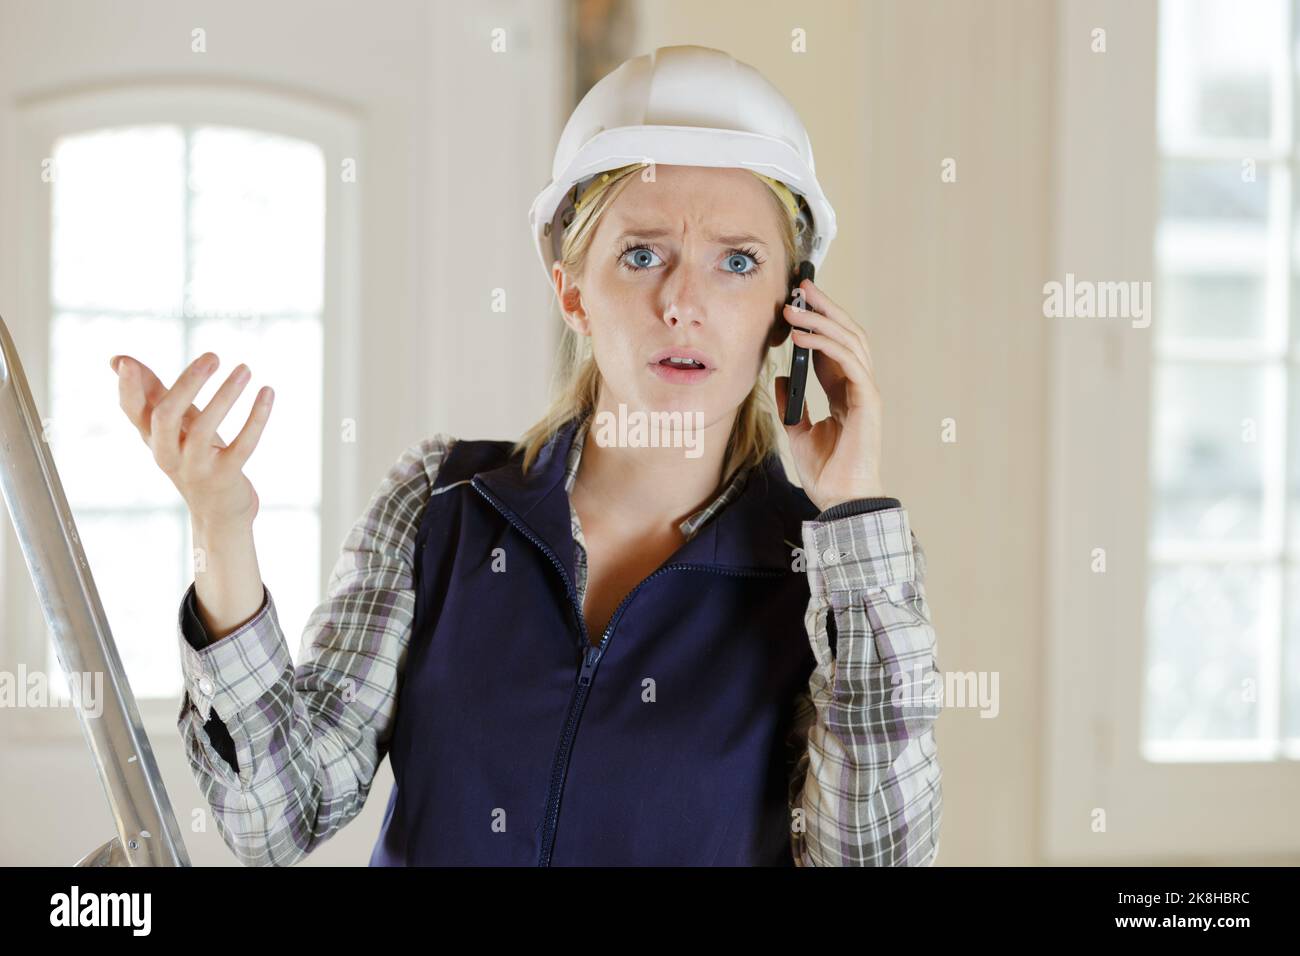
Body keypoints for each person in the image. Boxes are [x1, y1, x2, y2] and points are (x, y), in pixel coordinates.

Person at [110, 44, 942, 866]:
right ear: (572, 293)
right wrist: (223, 529)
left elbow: (873, 861)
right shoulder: (442, 504)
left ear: (789, 312)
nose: (683, 302)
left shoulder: (828, 569)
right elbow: (276, 818)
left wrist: (852, 510)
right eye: (642, 253)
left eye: (737, 262)